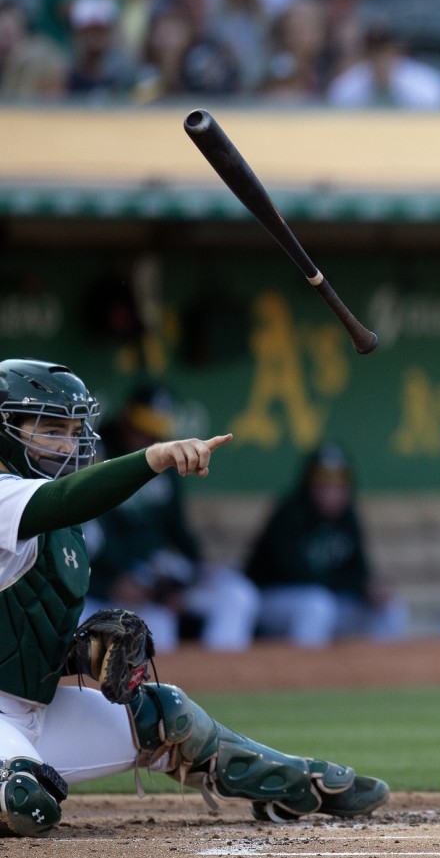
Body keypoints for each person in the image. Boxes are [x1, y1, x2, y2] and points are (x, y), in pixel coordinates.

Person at [0, 358, 388, 837]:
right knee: (24, 801)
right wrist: (155, 458)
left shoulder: (60, 523)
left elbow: (17, 632)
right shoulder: (9, 495)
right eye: (49, 429)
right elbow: (65, 499)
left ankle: (292, 781)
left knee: (166, 715)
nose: (66, 443)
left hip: (31, 715)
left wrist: (76, 655)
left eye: (73, 428)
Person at [84, 384, 259, 654]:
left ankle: (226, 684)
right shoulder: (97, 459)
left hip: (153, 575)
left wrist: (194, 569)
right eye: (141, 427)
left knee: (237, 594)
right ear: (125, 419)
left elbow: (176, 528)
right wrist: (110, 584)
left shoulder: (161, 462)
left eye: (153, 428)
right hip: (102, 588)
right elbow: (87, 542)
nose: (147, 435)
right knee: (157, 624)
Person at [244, 442, 408, 647]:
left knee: (389, 609)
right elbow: (296, 575)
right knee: (317, 605)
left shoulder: (348, 517)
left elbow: (359, 570)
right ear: (309, 483)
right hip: (273, 601)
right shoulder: (290, 513)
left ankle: (380, 676)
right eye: (324, 484)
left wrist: (370, 588)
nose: (332, 492)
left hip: (329, 600)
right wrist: (356, 585)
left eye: (339, 485)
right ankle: (303, 674)